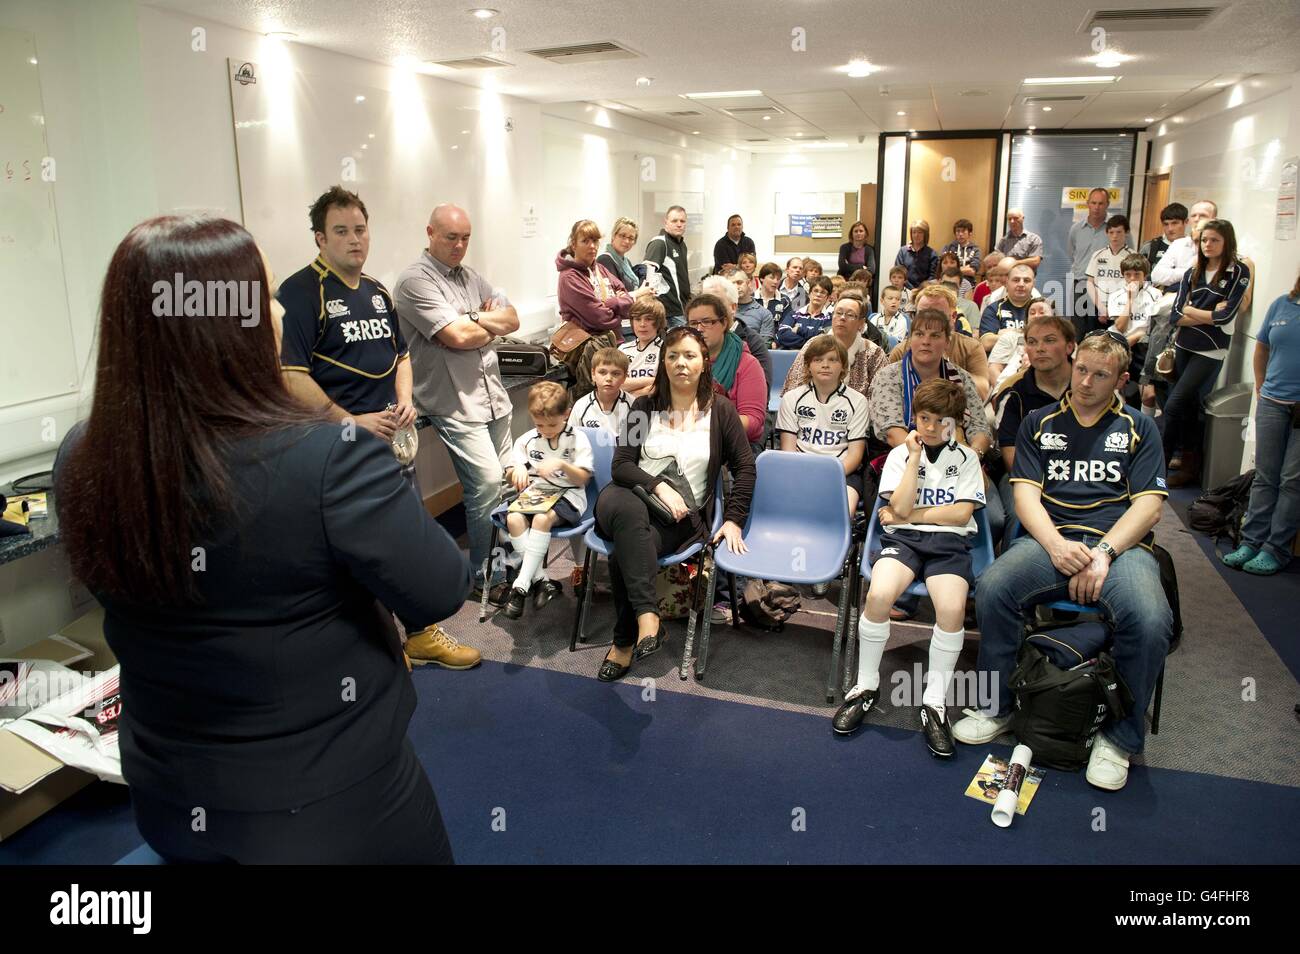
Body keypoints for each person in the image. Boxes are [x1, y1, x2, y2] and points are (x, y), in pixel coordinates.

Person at [57, 214, 467, 863]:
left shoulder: (83, 456)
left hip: (168, 798)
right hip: (329, 806)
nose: (279, 311)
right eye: (266, 296)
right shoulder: (328, 459)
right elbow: (442, 584)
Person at [954, 331, 1172, 792]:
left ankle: (1119, 738)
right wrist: (1055, 545)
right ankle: (995, 705)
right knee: (993, 587)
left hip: (1119, 549)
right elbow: (1025, 494)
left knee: (1150, 618)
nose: (1087, 382)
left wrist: (1104, 554)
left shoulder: (1139, 427)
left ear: (1122, 380)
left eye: (1101, 375)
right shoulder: (1038, 421)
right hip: (1051, 541)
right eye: (1082, 370)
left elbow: (1149, 506)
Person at [592, 325, 755, 681]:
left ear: (704, 363)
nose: (681, 363)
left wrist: (733, 518)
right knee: (628, 507)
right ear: (662, 362)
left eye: (690, 355)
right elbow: (621, 466)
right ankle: (648, 617)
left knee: (628, 546)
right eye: (673, 355)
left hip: (677, 521)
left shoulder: (722, 413)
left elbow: (745, 468)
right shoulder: (643, 407)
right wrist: (657, 487)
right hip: (624, 499)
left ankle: (623, 642)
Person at [834, 379, 986, 756]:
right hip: (903, 540)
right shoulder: (902, 455)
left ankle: (934, 702)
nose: (931, 428)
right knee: (879, 595)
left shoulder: (967, 458)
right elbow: (896, 508)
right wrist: (914, 460)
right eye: (924, 418)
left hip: (949, 546)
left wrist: (914, 513)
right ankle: (865, 686)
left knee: (951, 609)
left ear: (955, 421)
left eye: (940, 421)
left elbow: (961, 513)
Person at [393, 203, 519, 607]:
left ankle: (508, 562)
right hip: (452, 401)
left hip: (492, 396)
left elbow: (512, 318)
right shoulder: (414, 280)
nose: (459, 245)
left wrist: (472, 321)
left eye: (465, 238)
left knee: (506, 481)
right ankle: (486, 577)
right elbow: (457, 337)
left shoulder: (470, 276)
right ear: (429, 232)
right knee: (484, 483)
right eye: (451, 237)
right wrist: (479, 322)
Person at [277, 186, 418, 491]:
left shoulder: (378, 291)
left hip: (392, 444)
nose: (354, 239)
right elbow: (291, 375)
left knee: (406, 533)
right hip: (338, 449)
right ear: (321, 239)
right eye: (341, 231)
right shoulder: (300, 293)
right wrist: (348, 421)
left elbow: (402, 356)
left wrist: (405, 400)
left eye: (360, 230)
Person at [1163, 218, 1251, 487]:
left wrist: (1192, 310)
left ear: (1227, 242)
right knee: (1188, 407)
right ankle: (1189, 466)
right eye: (1204, 240)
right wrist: (1206, 313)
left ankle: (1157, 465)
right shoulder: (1193, 272)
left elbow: (1225, 318)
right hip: (1184, 345)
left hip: (1211, 350)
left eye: (1215, 240)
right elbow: (1175, 316)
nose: (1208, 245)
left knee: (1173, 405)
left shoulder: (1239, 272)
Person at [1223, 271, 1300, 575]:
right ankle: (1251, 542)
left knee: (1292, 481)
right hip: (1271, 402)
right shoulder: (1282, 304)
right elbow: (1262, 346)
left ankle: (1276, 550)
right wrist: (1260, 385)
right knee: (1265, 476)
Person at [503, 382, 594, 620]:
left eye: (552, 424)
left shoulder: (578, 439)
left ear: (566, 414)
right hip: (537, 494)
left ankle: (521, 586)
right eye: (539, 424)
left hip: (570, 495)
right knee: (513, 518)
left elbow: (583, 478)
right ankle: (542, 581)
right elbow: (511, 469)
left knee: (541, 520)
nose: (546, 430)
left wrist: (562, 465)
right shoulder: (527, 439)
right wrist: (516, 473)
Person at [989, 311, 1076, 545]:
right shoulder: (1013, 394)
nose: (1039, 348)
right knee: (1020, 515)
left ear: (1069, 347)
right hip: (1027, 478)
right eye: (1032, 342)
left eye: (1049, 340)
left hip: (1082, 476)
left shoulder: (1089, 388)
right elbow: (1012, 459)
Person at [555, 218, 649, 399]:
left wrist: (611, 304)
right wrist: (617, 309)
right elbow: (600, 318)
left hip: (611, 343)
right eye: (585, 241)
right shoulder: (569, 277)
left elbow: (623, 292)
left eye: (595, 241)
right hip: (589, 352)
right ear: (573, 244)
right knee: (597, 403)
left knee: (625, 399)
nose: (592, 246)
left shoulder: (598, 268)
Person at [777, 336, 870, 513]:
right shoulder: (791, 399)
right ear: (807, 366)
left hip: (843, 472)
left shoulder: (858, 401)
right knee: (787, 509)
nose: (825, 365)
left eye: (833, 360)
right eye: (818, 360)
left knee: (844, 512)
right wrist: (806, 477)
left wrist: (827, 476)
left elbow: (855, 456)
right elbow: (788, 451)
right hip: (799, 471)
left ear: (843, 366)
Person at [687, 293, 767, 449]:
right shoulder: (682, 361)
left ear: (724, 323)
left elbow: (753, 423)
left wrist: (704, 425)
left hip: (731, 444)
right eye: (693, 323)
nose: (699, 329)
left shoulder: (747, 364)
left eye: (707, 322)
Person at [889, 284, 992, 400]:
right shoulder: (901, 350)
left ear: (953, 317)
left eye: (937, 314)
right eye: (923, 314)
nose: (929, 320)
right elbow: (889, 394)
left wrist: (944, 366)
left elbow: (983, 392)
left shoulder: (971, 347)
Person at [781, 288, 888, 398]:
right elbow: (793, 387)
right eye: (838, 313)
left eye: (850, 315)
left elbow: (881, 397)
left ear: (861, 323)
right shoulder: (813, 345)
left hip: (858, 412)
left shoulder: (874, 353)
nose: (842, 318)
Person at [703, 272, 773, 391]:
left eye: (716, 303)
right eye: (704, 303)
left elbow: (761, 392)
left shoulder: (753, 342)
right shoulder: (692, 339)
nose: (708, 309)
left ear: (733, 307)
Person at [1110, 253, 1162, 391]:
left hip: (1146, 346)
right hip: (1123, 345)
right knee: (1119, 388)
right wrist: (1130, 300)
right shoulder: (1116, 296)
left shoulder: (1155, 294)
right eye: (1128, 275)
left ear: (1144, 275)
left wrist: (1140, 335)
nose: (1132, 279)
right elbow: (1120, 327)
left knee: (1148, 394)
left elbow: (1157, 327)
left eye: (1137, 274)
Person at [1067, 187, 1114, 322]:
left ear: (1107, 205)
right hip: (1081, 285)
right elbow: (1072, 254)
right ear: (1088, 203)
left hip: (1106, 287)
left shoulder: (1115, 229)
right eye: (1093, 203)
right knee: (1078, 331)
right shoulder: (1076, 229)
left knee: (1102, 333)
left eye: (1101, 203)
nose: (1096, 207)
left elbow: (1125, 256)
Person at [988, 296, 1054, 388]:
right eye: (1032, 313)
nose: (1036, 316)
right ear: (1027, 319)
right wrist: (1001, 394)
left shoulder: (1062, 341)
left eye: (1042, 312)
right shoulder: (1010, 337)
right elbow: (994, 369)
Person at [1151, 199, 1217, 290]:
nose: (1197, 219)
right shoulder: (1179, 244)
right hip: (1179, 296)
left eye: (1203, 215)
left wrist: (1175, 274)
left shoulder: (1221, 245)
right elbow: (1156, 275)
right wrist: (1191, 272)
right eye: (1193, 216)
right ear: (1189, 220)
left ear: (1214, 220)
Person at [643, 205, 691, 327]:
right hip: (670, 314)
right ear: (666, 222)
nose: (679, 224)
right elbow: (646, 276)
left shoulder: (682, 245)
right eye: (674, 221)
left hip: (683, 309)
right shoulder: (659, 243)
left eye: (682, 221)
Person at [1085, 214, 1134, 332]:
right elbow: (1090, 283)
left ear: (1126, 232)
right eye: (1111, 232)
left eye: (1119, 232)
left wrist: (1121, 310)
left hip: (1122, 310)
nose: (1115, 236)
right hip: (1098, 309)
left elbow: (1135, 285)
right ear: (1107, 233)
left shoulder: (1133, 257)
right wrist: (1101, 308)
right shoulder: (1098, 255)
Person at [571, 347, 633, 435]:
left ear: (624, 377)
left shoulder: (633, 404)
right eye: (602, 372)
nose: (608, 379)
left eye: (616, 373)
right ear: (593, 374)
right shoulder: (580, 406)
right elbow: (572, 441)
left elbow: (639, 444)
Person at [979, 263, 1036, 355]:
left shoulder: (1040, 309)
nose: (1021, 284)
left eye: (1026, 280)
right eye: (1016, 280)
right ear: (1006, 283)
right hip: (1000, 363)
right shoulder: (993, 309)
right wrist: (1026, 335)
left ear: (1033, 284)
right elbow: (986, 343)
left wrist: (1008, 333)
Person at [619, 298, 667, 399]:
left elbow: (661, 387)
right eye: (637, 319)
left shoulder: (666, 350)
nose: (642, 324)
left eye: (648, 319)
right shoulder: (623, 349)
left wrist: (628, 394)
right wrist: (651, 380)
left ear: (659, 322)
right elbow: (616, 383)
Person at [776, 275, 834, 350]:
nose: (818, 294)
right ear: (809, 293)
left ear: (828, 297)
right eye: (815, 291)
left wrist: (798, 330)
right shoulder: (794, 314)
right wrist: (808, 343)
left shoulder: (830, 318)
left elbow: (825, 341)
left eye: (823, 292)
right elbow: (782, 335)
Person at [729, 262, 777, 344]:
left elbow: (764, 346)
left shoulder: (764, 314)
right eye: (731, 284)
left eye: (739, 282)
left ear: (748, 283)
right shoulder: (723, 311)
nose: (736, 287)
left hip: (752, 354)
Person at [1139, 202, 1188, 280]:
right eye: (1166, 224)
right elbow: (1137, 276)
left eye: (1174, 223)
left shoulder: (1193, 247)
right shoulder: (1149, 247)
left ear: (1186, 222)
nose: (1170, 229)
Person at [596, 216, 642, 298]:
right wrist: (639, 292)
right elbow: (613, 295)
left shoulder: (627, 262)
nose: (626, 241)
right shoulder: (604, 260)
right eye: (623, 236)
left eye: (631, 238)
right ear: (613, 236)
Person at [895, 219, 939, 289]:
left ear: (925, 234)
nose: (916, 235)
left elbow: (932, 276)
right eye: (914, 232)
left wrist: (921, 290)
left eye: (920, 232)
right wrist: (911, 289)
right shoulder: (903, 251)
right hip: (904, 290)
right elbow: (898, 272)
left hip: (924, 291)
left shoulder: (932, 254)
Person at [939, 219, 982, 283]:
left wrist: (952, 269)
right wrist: (964, 268)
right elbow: (942, 269)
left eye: (963, 231)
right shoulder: (947, 248)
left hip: (968, 283)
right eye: (958, 231)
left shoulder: (975, 250)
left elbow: (972, 271)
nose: (960, 234)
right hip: (949, 282)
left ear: (970, 233)